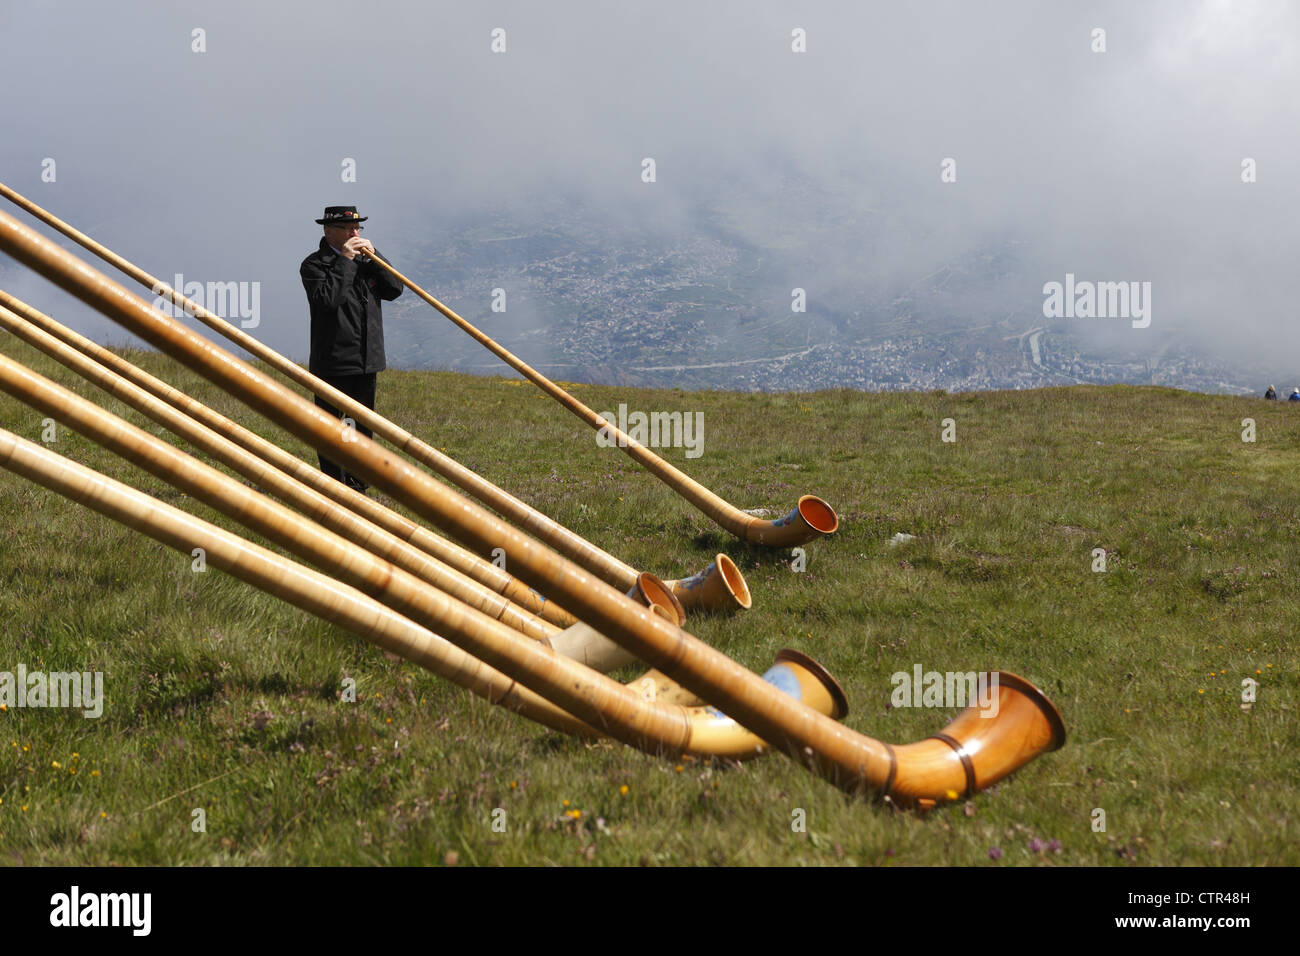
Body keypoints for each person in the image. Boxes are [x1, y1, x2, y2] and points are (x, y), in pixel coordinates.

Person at [300, 205, 403, 493]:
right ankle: (335, 486)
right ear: (328, 231)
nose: (354, 233)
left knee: (361, 426)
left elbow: (395, 289)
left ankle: (359, 484)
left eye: (357, 228)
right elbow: (327, 301)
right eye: (347, 229)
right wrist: (346, 259)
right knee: (332, 427)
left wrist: (376, 257)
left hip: (367, 360)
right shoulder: (314, 265)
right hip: (333, 362)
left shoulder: (367, 261)